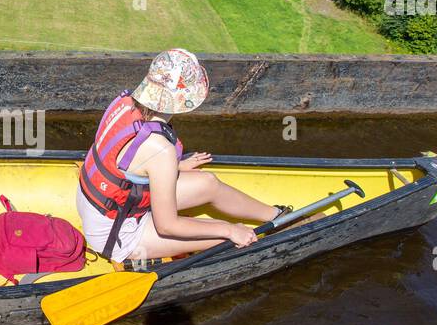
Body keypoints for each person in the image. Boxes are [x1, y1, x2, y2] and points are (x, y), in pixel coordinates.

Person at [77, 48, 286, 264]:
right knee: (237, 236)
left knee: (208, 183)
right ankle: (252, 234)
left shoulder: (125, 103)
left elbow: (127, 161)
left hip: (101, 206)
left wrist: (174, 168)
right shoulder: (160, 150)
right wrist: (230, 230)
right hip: (118, 235)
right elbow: (167, 225)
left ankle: (278, 215)